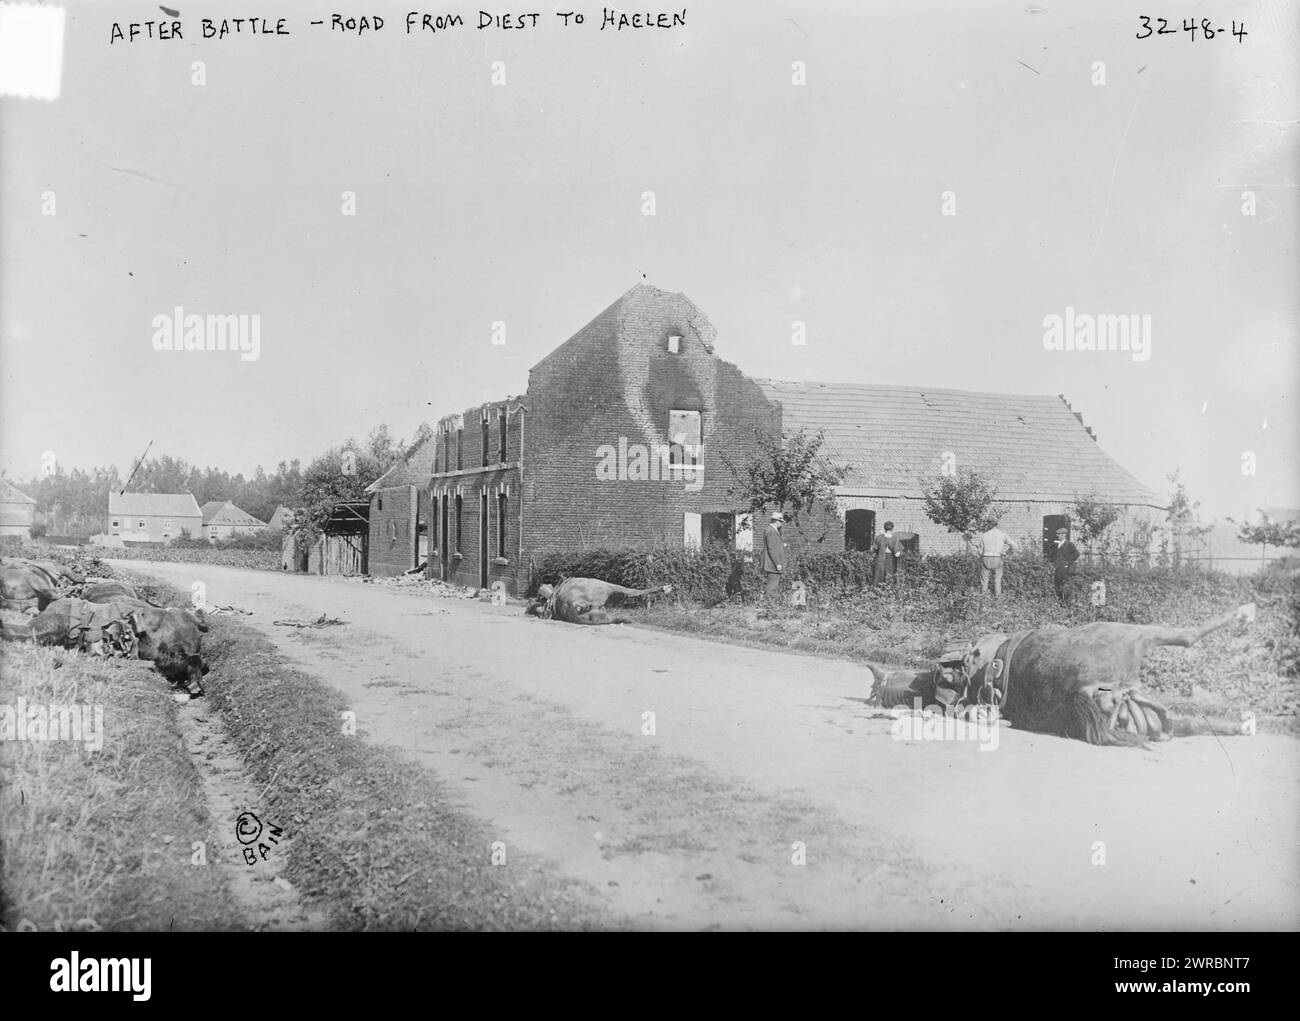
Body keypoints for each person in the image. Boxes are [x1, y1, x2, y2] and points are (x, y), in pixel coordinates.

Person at [975, 523, 1015, 599]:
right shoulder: (1002, 535)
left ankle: (984, 600)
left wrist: (981, 556)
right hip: (997, 558)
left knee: (984, 580)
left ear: (989, 525)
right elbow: (1015, 546)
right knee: (997, 580)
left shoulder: (985, 535)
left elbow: (980, 551)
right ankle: (998, 600)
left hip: (986, 557)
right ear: (997, 526)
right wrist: (1007, 553)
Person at [760, 511, 787, 599]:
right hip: (772, 564)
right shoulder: (771, 531)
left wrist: (782, 545)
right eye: (780, 521)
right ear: (776, 521)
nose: (781, 523)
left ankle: (770, 605)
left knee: (773, 585)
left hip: (772, 563)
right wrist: (777, 563)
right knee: (772, 586)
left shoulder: (772, 530)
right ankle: (768, 605)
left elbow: (774, 546)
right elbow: (772, 549)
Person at [1052, 527, 1080, 604]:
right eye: (1057, 535)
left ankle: (1069, 604)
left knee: (1067, 587)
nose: (1058, 536)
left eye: (1059, 535)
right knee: (1058, 586)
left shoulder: (1069, 544)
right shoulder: (1057, 544)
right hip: (1058, 569)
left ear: (1064, 535)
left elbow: (1077, 554)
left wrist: (1068, 562)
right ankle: (1061, 603)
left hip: (1066, 570)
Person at [870, 521, 902, 585]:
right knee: (889, 575)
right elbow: (897, 554)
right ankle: (888, 590)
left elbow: (873, 550)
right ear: (892, 529)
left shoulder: (879, 538)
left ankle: (878, 590)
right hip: (890, 560)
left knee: (879, 575)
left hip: (880, 558)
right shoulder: (895, 539)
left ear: (884, 528)